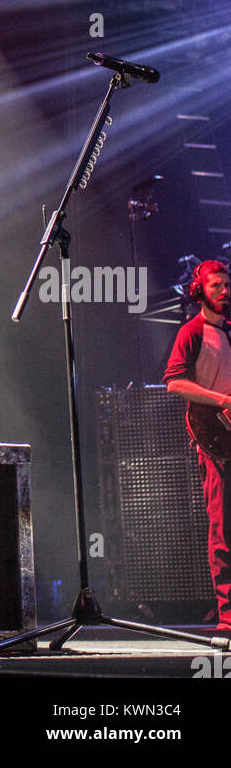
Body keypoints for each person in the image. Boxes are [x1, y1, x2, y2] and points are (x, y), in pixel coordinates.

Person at [165, 259, 231, 631]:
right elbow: (175, 382)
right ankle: (227, 616)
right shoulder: (192, 331)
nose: (224, 290)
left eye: (227, 284)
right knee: (223, 528)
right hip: (214, 438)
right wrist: (222, 401)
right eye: (215, 285)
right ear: (200, 290)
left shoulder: (229, 332)